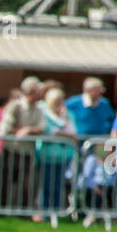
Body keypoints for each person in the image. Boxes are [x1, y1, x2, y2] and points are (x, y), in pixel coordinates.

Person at [0, 76, 46, 208]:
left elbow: (42, 128)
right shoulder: (14, 106)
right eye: (37, 91)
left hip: (28, 153)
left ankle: (24, 213)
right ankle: (2, 212)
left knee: (27, 185)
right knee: (6, 184)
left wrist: (28, 129)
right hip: (11, 151)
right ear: (29, 91)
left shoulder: (39, 109)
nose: (39, 94)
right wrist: (21, 131)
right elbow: (5, 129)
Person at [34, 86, 76, 221]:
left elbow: (74, 132)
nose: (59, 104)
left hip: (63, 156)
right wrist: (64, 133)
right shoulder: (43, 111)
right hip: (46, 156)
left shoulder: (67, 114)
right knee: (46, 186)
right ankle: (45, 213)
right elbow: (47, 129)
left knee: (58, 186)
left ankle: (56, 213)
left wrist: (64, 119)